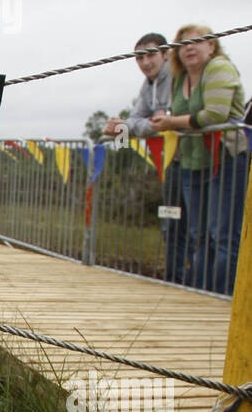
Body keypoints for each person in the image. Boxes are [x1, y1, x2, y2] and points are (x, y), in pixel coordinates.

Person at [152, 25, 248, 295]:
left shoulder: (219, 68)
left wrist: (171, 122)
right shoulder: (177, 77)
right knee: (198, 235)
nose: (189, 47)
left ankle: (220, 296)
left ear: (212, 46)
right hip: (191, 161)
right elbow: (168, 116)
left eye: (197, 42)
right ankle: (199, 292)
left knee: (223, 235)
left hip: (226, 159)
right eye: (183, 44)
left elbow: (214, 116)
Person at [103, 33, 187, 286]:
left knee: (199, 228)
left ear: (166, 54)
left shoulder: (175, 78)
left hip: (193, 158)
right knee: (172, 223)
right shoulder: (147, 85)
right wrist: (145, 123)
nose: (145, 62)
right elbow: (138, 121)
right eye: (139, 57)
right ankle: (174, 281)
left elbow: (162, 121)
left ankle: (203, 288)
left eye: (151, 55)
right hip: (170, 161)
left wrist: (141, 124)